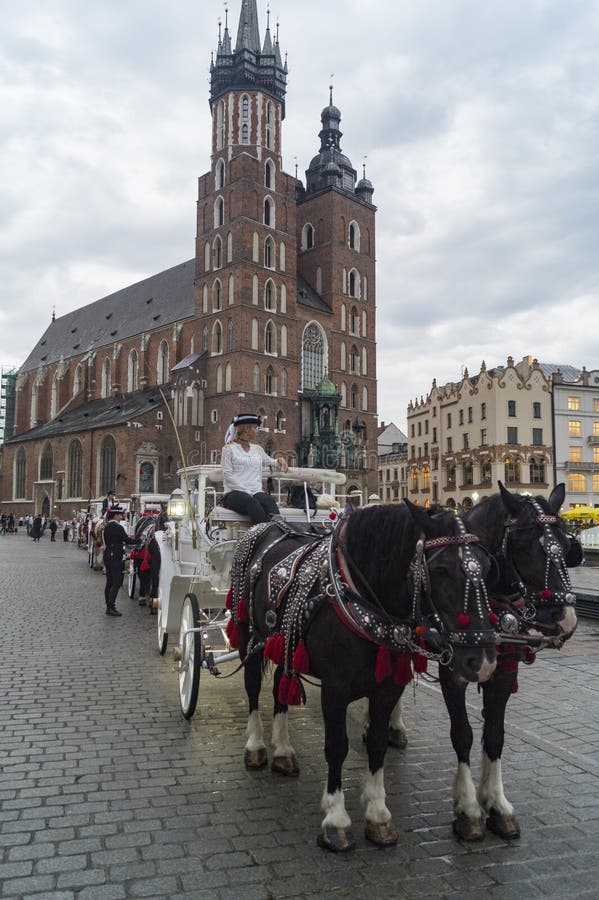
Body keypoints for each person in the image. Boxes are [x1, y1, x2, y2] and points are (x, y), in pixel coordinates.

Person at [221, 413, 288, 524]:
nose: (256, 430)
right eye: (255, 428)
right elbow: (228, 475)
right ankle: (263, 534)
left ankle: (277, 529)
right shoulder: (228, 449)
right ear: (246, 429)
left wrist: (279, 461)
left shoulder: (257, 449)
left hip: (256, 492)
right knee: (252, 503)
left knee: (269, 501)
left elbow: (269, 461)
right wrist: (246, 491)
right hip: (234, 493)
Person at [103, 505, 139, 617]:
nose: (121, 517)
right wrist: (139, 540)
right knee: (117, 582)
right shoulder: (118, 527)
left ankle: (108, 605)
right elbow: (127, 540)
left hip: (108, 555)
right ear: (115, 515)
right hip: (115, 557)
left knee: (109, 582)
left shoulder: (108, 526)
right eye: (120, 515)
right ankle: (111, 606)